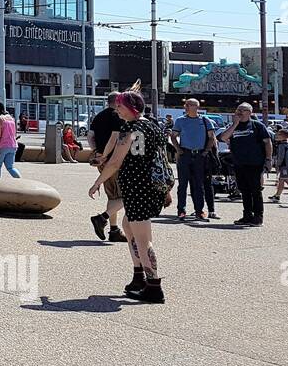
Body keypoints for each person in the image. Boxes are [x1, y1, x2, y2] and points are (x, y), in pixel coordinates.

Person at [89, 90, 170, 304]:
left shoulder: (130, 128)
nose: (117, 110)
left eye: (120, 106)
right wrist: (166, 190)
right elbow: (161, 159)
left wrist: (98, 182)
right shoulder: (154, 126)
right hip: (150, 187)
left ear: (132, 108)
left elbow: (115, 161)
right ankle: (138, 277)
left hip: (137, 187)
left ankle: (153, 287)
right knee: (128, 226)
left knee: (143, 239)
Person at [216, 103, 271, 226]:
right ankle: (247, 215)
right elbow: (223, 138)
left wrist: (268, 159)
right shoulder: (233, 126)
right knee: (244, 190)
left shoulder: (257, 126)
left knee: (255, 190)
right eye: (238, 110)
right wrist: (235, 124)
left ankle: (258, 217)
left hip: (255, 162)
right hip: (239, 162)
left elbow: (267, 142)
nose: (239, 112)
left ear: (250, 112)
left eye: (243, 110)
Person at [87, 92, 127, 242]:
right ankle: (103, 219)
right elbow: (116, 138)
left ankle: (114, 229)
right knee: (125, 196)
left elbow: (90, 136)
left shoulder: (99, 116)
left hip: (101, 161)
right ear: (118, 102)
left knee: (112, 195)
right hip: (116, 161)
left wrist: (97, 152)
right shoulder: (119, 116)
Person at [169, 98, 216, 221]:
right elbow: (173, 136)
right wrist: (178, 149)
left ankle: (199, 210)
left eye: (194, 105)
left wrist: (206, 151)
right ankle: (181, 210)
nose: (192, 107)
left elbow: (212, 137)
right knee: (182, 185)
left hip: (199, 155)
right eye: (189, 105)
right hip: (185, 154)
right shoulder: (180, 121)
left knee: (198, 184)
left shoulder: (205, 120)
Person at [0, 101, 21, 179]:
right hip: (12, 145)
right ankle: (20, 182)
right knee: (10, 167)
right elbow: (15, 132)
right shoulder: (10, 118)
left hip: (1, 146)